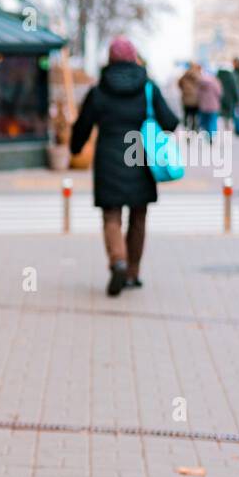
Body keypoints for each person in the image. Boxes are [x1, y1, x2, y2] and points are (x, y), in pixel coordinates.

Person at [70, 36, 179, 296]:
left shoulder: (99, 91)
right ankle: (132, 272)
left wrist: (74, 147)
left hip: (108, 162)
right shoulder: (148, 88)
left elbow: (82, 126)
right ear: (134, 58)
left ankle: (117, 260)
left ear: (109, 60)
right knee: (138, 217)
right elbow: (170, 122)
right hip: (141, 159)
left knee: (111, 216)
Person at [197, 68, 222, 140]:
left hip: (203, 106)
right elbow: (219, 93)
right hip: (213, 105)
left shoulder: (200, 82)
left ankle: (207, 135)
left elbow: (198, 94)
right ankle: (212, 135)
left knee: (204, 121)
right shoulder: (215, 82)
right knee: (212, 121)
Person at [217, 66, 239, 135]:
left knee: (223, 116)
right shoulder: (231, 77)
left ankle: (225, 129)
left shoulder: (218, 77)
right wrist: (237, 99)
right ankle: (229, 130)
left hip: (221, 99)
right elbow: (235, 89)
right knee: (231, 116)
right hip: (230, 100)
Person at [178, 62, 201, 131]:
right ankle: (194, 129)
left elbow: (179, 83)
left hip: (186, 99)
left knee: (186, 115)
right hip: (196, 100)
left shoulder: (185, 75)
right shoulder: (198, 75)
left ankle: (186, 128)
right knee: (195, 116)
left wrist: (184, 90)